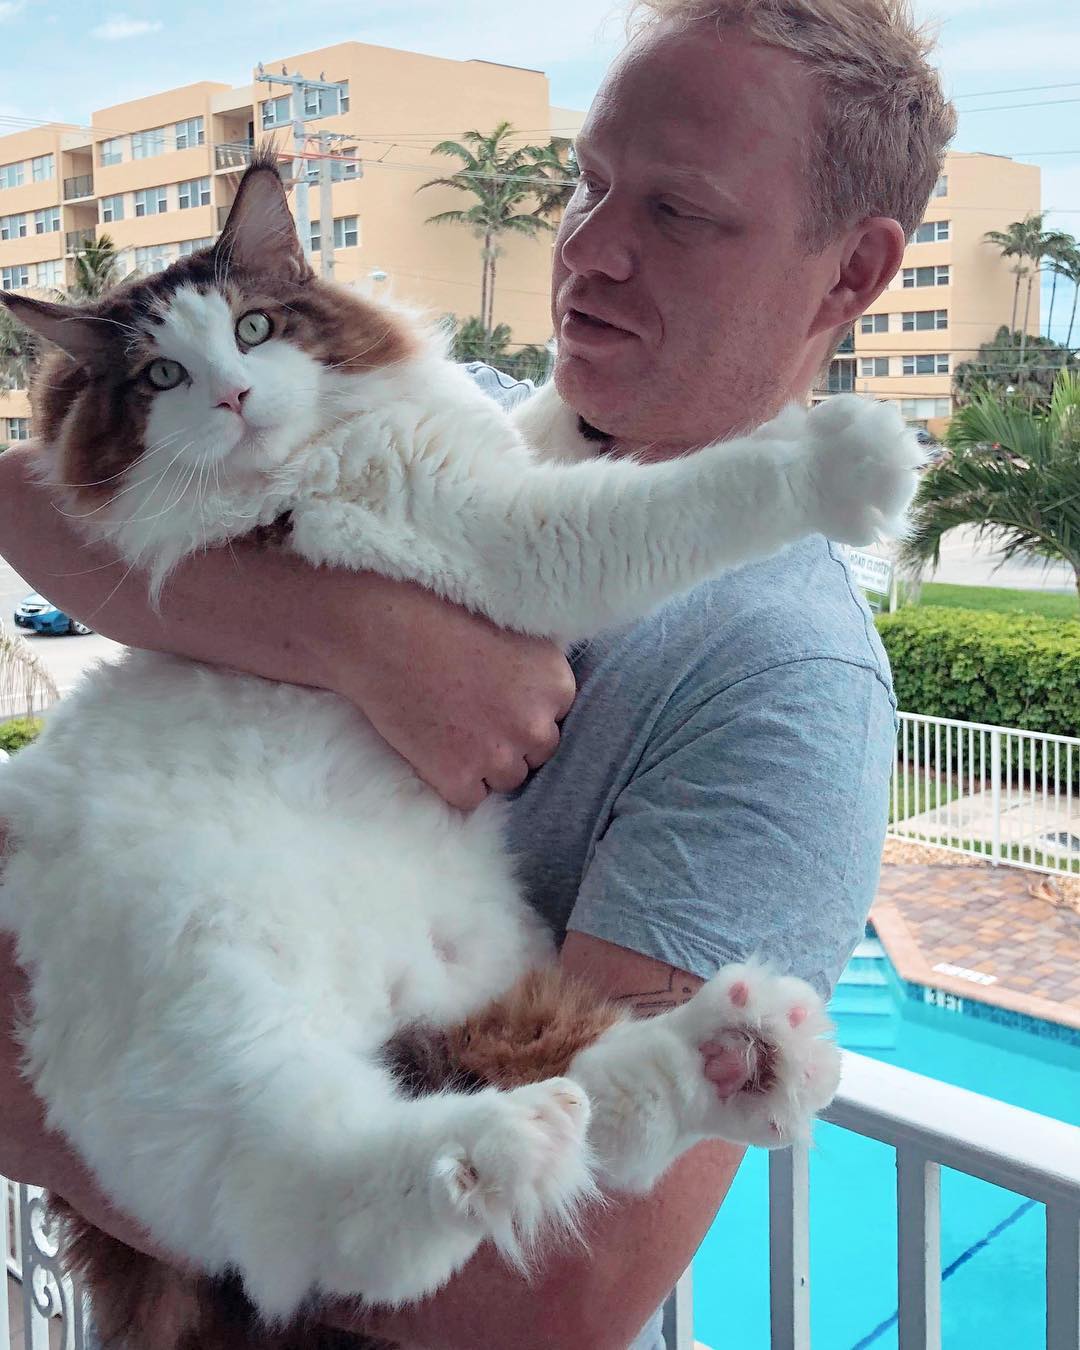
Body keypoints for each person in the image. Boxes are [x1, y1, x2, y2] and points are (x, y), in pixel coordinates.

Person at [0, 2, 955, 1346]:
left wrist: (41, 1102)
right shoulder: (507, 431)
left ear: (851, 274)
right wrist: (355, 639)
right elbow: (29, 492)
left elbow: (553, 1297)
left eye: (678, 213)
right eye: (590, 182)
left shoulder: (780, 673)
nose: (590, 250)